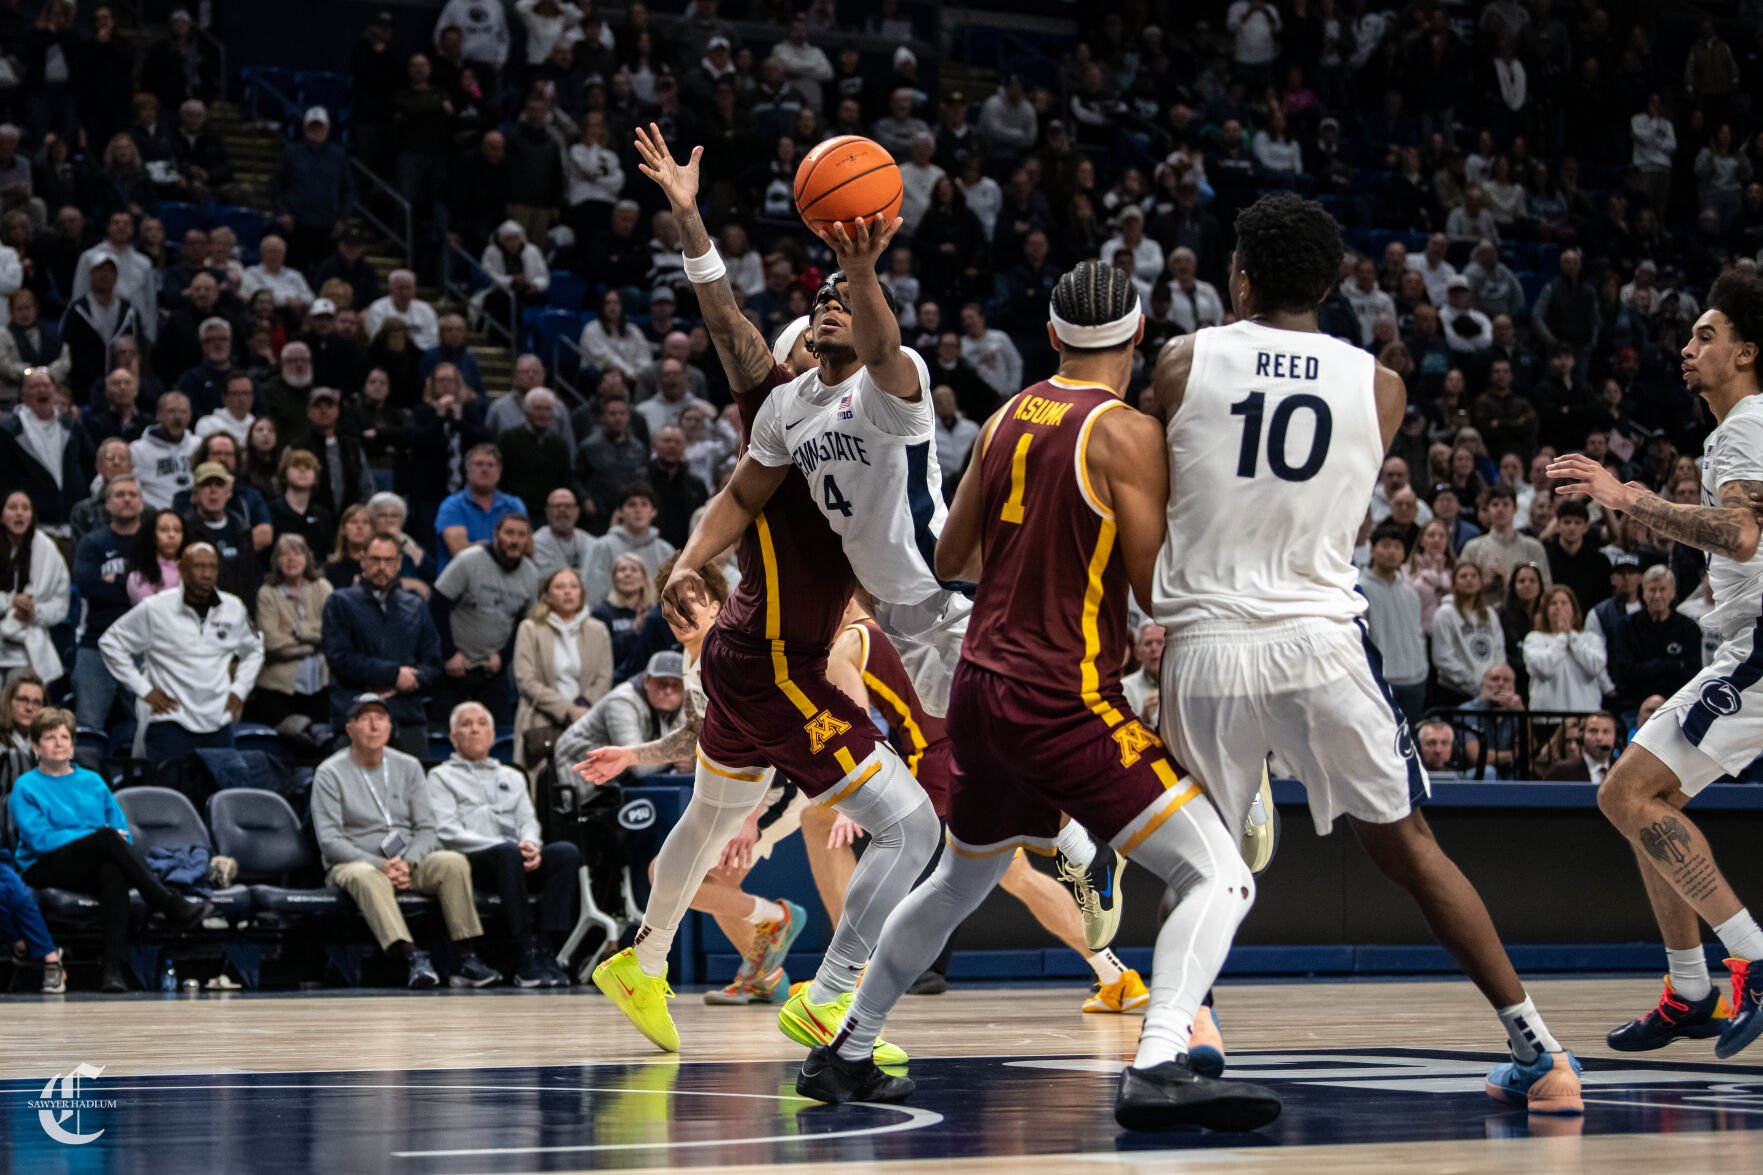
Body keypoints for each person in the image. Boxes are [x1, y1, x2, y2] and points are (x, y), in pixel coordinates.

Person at [1150, 193, 1580, 1115]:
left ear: (1240, 276)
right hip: (1319, 639)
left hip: (1208, 640)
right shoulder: (1380, 383)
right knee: (1413, 851)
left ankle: (1195, 1024)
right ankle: (1542, 1054)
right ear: (1331, 283)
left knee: (1199, 862)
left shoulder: (1182, 361)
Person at [584, 128, 935, 1069]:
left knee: (705, 818)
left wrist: (860, 273)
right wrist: (690, 217)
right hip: (773, 657)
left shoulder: (890, 395)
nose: (828, 304)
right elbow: (724, 327)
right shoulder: (781, 406)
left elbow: (887, 343)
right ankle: (831, 1000)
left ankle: (642, 960)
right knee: (914, 824)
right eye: (816, 301)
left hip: (761, 652)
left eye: (842, 301)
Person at [9, 707, 210, 992]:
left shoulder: (92, 781)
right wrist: (93, 836)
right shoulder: (26, 787)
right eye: (50, 737)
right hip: (45, 866)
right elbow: (40, 840)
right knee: (105, 839)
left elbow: (122, 833)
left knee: (112, 869)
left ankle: (112, 972)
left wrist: (99, 839)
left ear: (72, 746)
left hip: (91, 862)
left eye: (64, 737)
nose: (58, 743)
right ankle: (167, 902)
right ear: (35, 747)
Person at [309, 693, 498, 989]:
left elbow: (427, 828)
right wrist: (381, 865)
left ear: (390, 726)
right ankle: (411, 956)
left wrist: (407, 862)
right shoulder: (330, 772)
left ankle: (465, 956)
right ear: (350, 729)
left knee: (452, 861)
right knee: (365, 875)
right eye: (365, 718)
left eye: (380, 718)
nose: (374, 726)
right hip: (354, 862)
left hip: (408, 861)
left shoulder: (408, 767)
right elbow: (331, 841)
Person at [428, 700, 578, 987]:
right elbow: (447, 831)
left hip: (516, 856)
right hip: (476, 860)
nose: (474, 730)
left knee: (565, 853)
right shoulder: (440, 776)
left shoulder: (512, 775)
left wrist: (531, 844)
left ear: (493, 735)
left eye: (482, 723)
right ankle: (524, 951)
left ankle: (546, 948)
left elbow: (528, 821)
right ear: (453, 737)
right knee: (506, 852)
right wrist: (502, 844)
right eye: (466, 724)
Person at [100, 542, 263, 758]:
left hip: (218, 719)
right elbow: (111, 642)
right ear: (182, 570)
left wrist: (240, 689)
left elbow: (254, 648)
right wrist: (143, 689)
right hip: (170, 720)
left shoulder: (233, 607)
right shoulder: (156, 608)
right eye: (199, 566)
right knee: (168, 791)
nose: (206, 574)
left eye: (212, 567)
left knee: (224, 789)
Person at [322, 532, 444, 759]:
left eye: (388, 561)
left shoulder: (415, 606)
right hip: (356, 718)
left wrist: (408, 681)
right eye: (375, 559)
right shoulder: (340, 602)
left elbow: (434, 663)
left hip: (407, 718)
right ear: (363, 560)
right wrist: (393, 674)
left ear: (398, 563)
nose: (381, 567)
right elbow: (340, 658)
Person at [432, 512, 538, 726]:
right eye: (509, 533)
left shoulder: (531, 574)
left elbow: (524, 625)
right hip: (453, 666)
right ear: (495, 534)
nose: (515, 540)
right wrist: (449, 653)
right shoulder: (469, 560)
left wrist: (503, 657)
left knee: (499, 737)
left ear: (528, 540)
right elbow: (437, 606)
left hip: (492, 671)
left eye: (521, 535)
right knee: (446, 733)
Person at [511, 566, 611, 774]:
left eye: (573, 586)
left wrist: (582, 707)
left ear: (581, 593)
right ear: (547, 596)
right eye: (559, 587)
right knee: (542, 789)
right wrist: (567, 710)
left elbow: (604, 676)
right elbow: (525, 680)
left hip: (586, 718)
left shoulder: (598, 630)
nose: (567, 592)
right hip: (540, 719)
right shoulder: (530, 629)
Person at [250, 534, 333, 743]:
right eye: (283, 555)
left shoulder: (322, 587)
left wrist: (299, 632)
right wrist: (312, 645)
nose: (290, 559)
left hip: (320, 686)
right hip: (278, 689)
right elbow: (271, 642)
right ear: (276, 561)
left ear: (307, 558)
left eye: (296, 553)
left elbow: (333, 633)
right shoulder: (267, 593)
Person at [1605, 564, 1703, 719]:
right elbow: (1623, 672)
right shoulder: (1625, 627)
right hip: (1633, 705)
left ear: (1672, 593)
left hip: (1676, 705)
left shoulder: (1688, 628)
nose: (1657, 596)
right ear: (1643, 592)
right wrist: (1673, 665)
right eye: (1652, 590)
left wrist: (1645, 667)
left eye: (1662, 589)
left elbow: (1692, 674)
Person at [1359, 522, 1429, 726]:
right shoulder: (1360, 589)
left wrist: (1421, 667)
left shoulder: (1410, 591)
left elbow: (1418, 633)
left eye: (1398, 546)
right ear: (1372, 550)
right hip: (1382, 680)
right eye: (1386, 545)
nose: (1392, 551)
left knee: (1413, 744)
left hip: (1415, 679)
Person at [0, 491, 69, 688]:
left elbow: (60, 604)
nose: (19, 514)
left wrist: (35, 612)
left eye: (25, 508)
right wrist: (8, 602)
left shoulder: (47, 549)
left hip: (30, 649)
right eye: (13, 508)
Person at [434, 443, 523, 570]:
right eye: (479, 464)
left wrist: (480, 546)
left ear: (499, 472)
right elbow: (460, 552)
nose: (485, 469)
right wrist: (503, 547)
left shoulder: (513, 505)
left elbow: (525, 547)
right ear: (468, 471)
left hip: (504, 577)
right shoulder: (452, 505)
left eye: (491, 465)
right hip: (461, 579)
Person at [582, 484, 673, 606]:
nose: (638, 510)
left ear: (654, 512)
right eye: (631, 504)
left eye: (644, 504)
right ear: (620, 512)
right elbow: (591, 593)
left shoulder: (666, 550)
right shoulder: (602, 547)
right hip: (611, 619)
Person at [1522, 585, 1606, 713]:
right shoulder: (1534, 639)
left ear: (1573, 609)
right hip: (1548, 718)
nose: (1559, 607)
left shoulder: (1590, 638)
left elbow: (1595, 667)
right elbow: (1544, 668)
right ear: (1545, 611)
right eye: (1553, 603)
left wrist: (1572, 637)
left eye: (1564, 603)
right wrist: (1562, 637)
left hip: (1585, 714)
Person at [1459, 486, 1550, 604]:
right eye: (1495, 505)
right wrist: (1483, 582)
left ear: (1515, 508)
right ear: (1487, 510)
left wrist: (1513, 582)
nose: (1500, 509)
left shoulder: (1533, 547)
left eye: (1506, 504)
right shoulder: (1472, 548)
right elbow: (1459, 589)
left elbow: (1546, 589)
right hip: (1484, 614)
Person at [531, 487, 592, 581]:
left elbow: (598, 576)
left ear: (577, 511)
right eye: (557, 505)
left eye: (568, 506)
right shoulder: (536, 542)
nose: (562, 510)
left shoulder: (590, 541)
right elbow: (551, 579)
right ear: (547, 512)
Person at [125, 506, 183, 604]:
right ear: (152, 535)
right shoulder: (138, 577)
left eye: (177, 530)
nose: (172, 535)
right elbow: (153, 612)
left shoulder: (193, 568)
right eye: (164, 530)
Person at [1544, 710, 1619, 783]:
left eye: (1606, 732)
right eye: (1593, 731)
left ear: (1615, 736)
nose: (1599, 737)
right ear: (1582, 736)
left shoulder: (1624, 769)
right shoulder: (1561, 771)